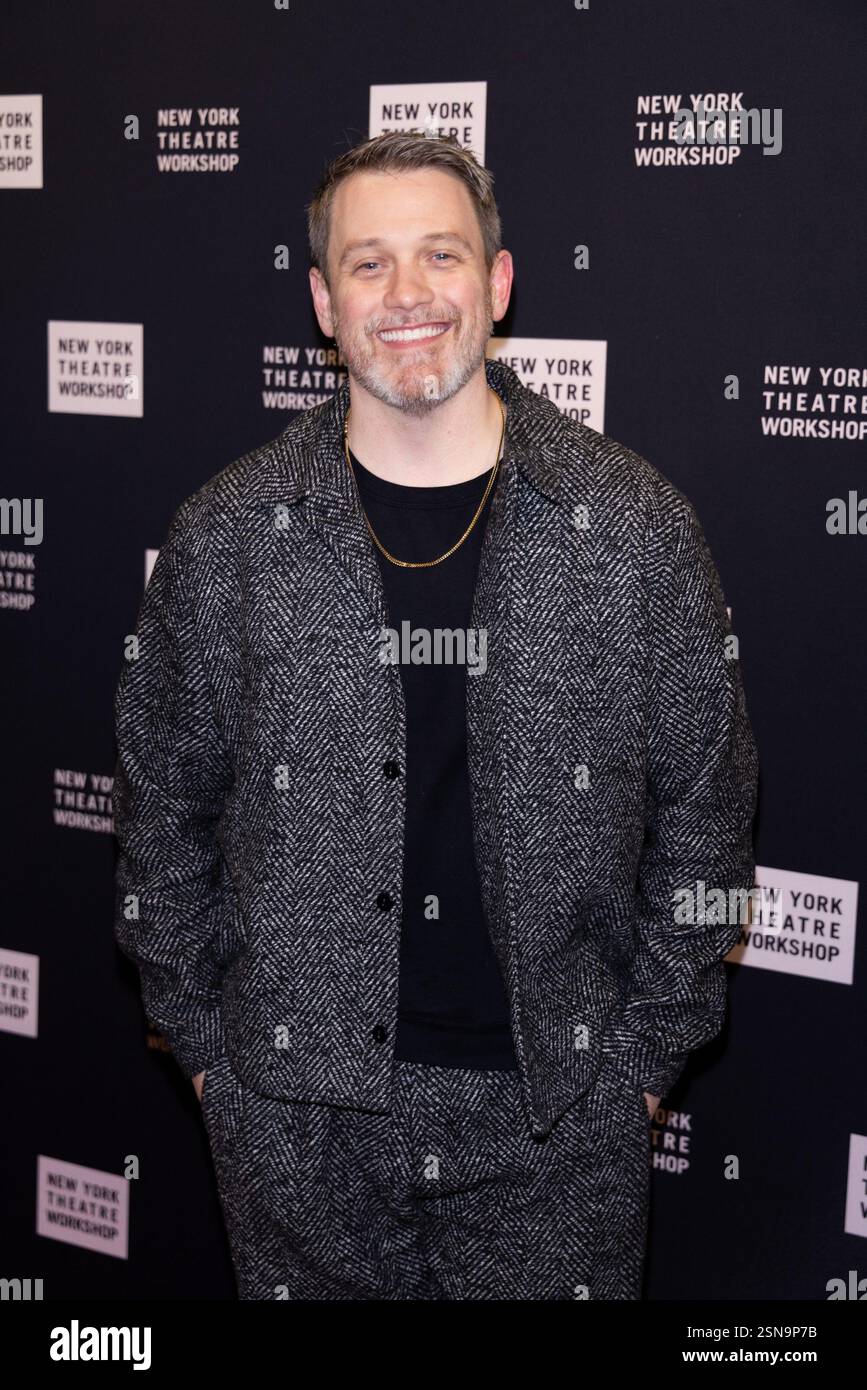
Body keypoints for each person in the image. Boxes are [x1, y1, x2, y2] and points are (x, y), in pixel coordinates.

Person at [112, 130, 759, 1300]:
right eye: (368, 265)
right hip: (293, 1121)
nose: (407, 296)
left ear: (499, 282)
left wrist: (640, 1075)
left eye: (440, 257)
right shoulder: (226, 535)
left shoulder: (632, 527)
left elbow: (707, 821)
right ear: (321, 301)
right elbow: (161, 807)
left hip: (558, 1126)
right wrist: (212, 1062)